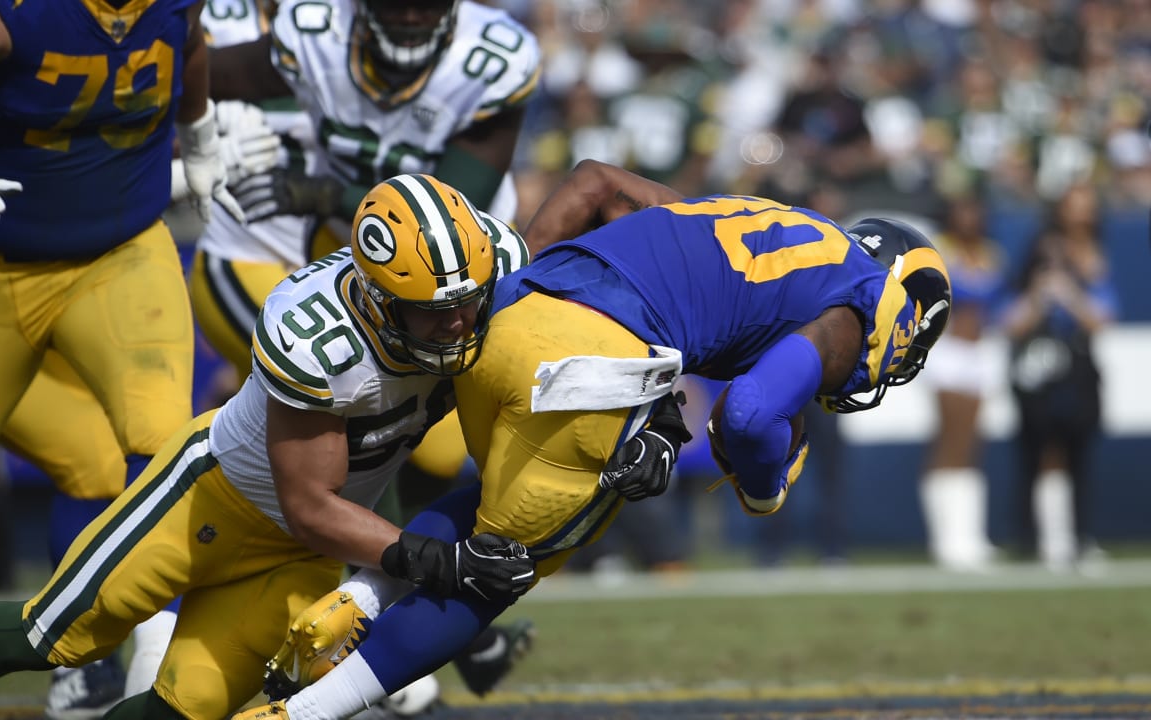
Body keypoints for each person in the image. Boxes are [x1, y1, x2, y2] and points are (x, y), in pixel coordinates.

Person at [236, 159, 954, 720]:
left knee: (493, 504)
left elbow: (602, 195)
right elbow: (748, 414)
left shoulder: (774, 224)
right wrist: (766, 489)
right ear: (904, 302)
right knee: (499, 569)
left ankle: (360, 599)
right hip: (587, 363)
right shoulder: (855, 303)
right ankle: (306, 710)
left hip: (511, 310)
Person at [0, 174, 539, 720]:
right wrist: (434, 561)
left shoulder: (498, 271)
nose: (457, 322)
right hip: (213, 498)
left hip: (309, 549)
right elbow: (308, 503)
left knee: (186, 707)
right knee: (54, 633)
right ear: (377, 297)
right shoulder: (319, 338)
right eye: (433, 309)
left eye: (469, 301)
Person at [0, 0, 243, 716]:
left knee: (166, 450)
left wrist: (198, 138)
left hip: (122, 251)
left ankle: (151, 650)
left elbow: (188, 45)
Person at [197, 0, 545, 698]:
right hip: (323, 282)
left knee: (439, 454)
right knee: (339, 439)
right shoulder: (310, 30)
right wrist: (189, 134)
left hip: (441, 294)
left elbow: (456, 197)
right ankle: (373, 648)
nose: (412, 16)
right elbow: (197, 74)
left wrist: (322, 188)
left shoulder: (494, 57)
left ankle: (403, 624)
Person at [1003, 182, 1116, 572]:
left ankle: (1078, 537)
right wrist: (1040, 292)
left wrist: (1069, 292)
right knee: (1036, 452)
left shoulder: (1094, 259)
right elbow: (1011, 323)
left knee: (1079, 453)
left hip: (1078, 366)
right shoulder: (1038, 255)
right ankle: (1037, 539)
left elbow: (1101, 319)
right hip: (1038, 368)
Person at [919, 194, 1005, 572]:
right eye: (962, 210)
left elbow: (995, 297)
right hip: (950, 350)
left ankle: (970, 535)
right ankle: (946, 539)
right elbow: (958, 293)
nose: (969, 217)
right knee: (950, 441)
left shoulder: (990, 252)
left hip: (979, 351)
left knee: (971, 443)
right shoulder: (942, 251)